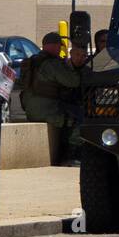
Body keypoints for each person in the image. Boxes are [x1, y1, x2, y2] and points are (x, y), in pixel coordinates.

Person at [20, 32, 84, 163]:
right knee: (77, 117)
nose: (60, 49)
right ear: (55, 46)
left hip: (29, 109)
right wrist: (74, 65)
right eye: (59, 46)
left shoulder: (31, 61)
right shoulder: (52, 64)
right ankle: (71, 156)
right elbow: (73, 82)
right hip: (47, 110)